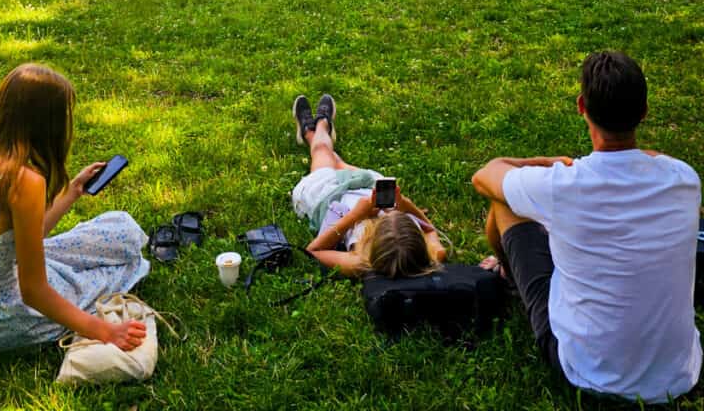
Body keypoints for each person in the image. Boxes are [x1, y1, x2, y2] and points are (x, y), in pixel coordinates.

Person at [471, 50, 701, 404]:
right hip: (679, 374)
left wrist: (541, 164)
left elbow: (485, 175)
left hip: (588, 372)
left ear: (581, 106)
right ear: (644, 112)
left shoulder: (561, 186)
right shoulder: (685, 179)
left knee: (504, 202)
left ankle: (507, 275)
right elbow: (655, 158)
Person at [0, 63, 149, 351]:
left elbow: (21, 240)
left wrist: (72, 192)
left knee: (121, 229)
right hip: (7, 319)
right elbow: (34, 291)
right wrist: (103, 331)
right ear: (47, 122)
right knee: (123, 265)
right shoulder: (23, 180)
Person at [291, 95, 447, 277]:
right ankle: (319, 131)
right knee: (335, 161)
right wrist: (405, 204)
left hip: (326, 194)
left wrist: (357, 214)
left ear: (369, 241)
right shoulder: (435, 255)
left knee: (322, 152)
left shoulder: (360, 262)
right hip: (367, 187)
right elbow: (429, 229)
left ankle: (316, 128)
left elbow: (313, 251)